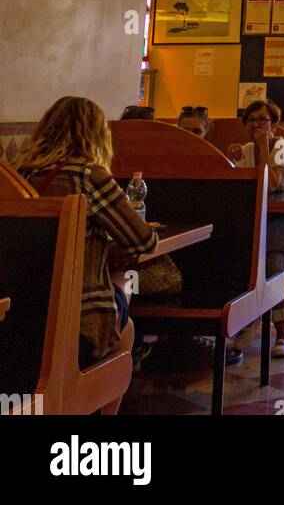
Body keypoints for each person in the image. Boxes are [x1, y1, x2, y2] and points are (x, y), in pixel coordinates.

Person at [16, 96, 158, 407]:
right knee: (125, 279)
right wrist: (105, 249)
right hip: (76, 324)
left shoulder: (17, 174)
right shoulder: (88, 175)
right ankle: (95, 400)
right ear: (95, 133)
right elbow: (144, 242)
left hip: (18, 318)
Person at [227, 99, 284, 357]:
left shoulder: (283, 147)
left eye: (262, 119)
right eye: (251, 120)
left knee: (253, 243)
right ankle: (281, 334)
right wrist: (231, 161)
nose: (256, 124)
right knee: (270, 258)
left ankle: (249, 317)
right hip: (270, 229)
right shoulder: (246, 151)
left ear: (275, 125)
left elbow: (269, 185)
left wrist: (262, 146)